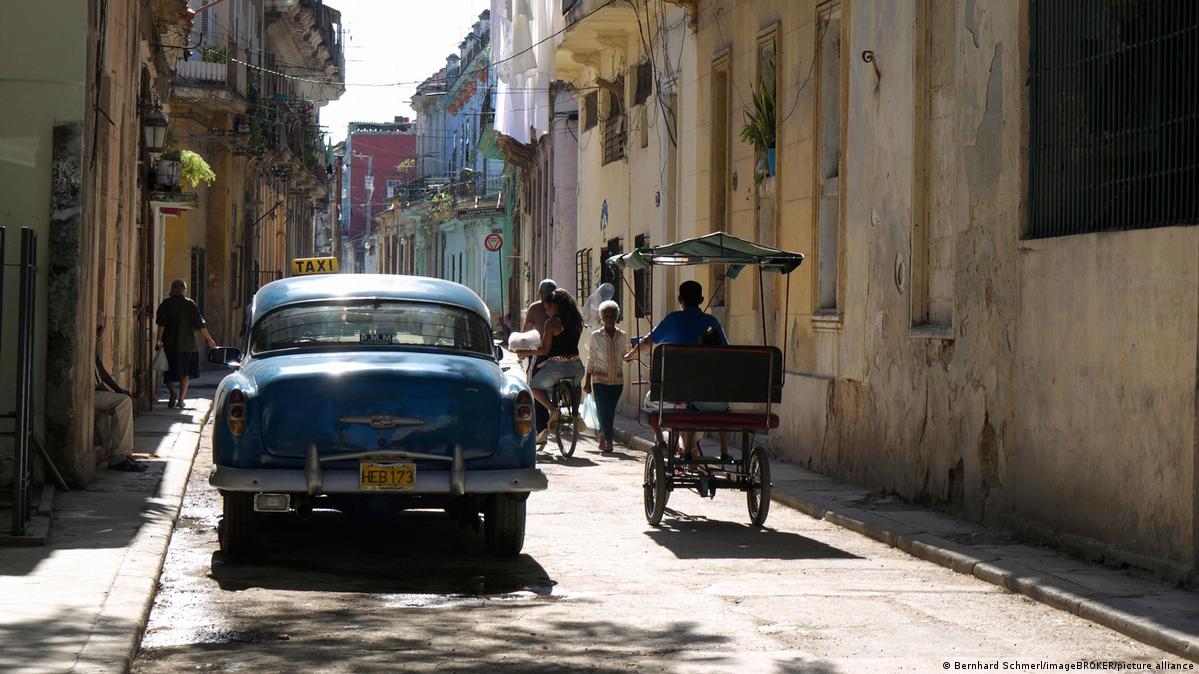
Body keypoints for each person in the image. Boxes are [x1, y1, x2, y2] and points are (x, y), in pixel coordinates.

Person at [623, 280, 728, 458]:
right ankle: (691, 446)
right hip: (710, 393)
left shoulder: (673, 319)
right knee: (695, 401)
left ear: (680, 299)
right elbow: (725, 351)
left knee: (650, 399)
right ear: (701, 299)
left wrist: (630, 356)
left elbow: (648, 342)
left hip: (677, 392)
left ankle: (661, 441)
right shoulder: (711, 322)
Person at [514, 289, 585, 444]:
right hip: (577, 366)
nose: (547, 312)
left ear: (555, 305)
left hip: (557, 368)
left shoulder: (552, 323)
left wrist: (525, 352)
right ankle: (576, 412)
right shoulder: (577, 321)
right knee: (577, 384)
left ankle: (553, 410)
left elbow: (545, 350)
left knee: (534, 387)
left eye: (547, 308)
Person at [155, 279, 216, 409]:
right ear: (183, 289)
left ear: (172, 289)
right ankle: (181, 399)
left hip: (170, 345)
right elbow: (200, 326)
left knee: (168, 372)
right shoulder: (190, 304)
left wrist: (159, 340)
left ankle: (172, 393)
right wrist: (209, 339)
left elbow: (162, 325)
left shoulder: (166, 304)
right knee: (185, 373)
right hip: (188, 346)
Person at [95, 313, 144, 471]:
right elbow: (98, 378)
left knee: (123, 400)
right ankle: (118, 456)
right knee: (123, 402)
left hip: (93, 391)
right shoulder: (87, 343)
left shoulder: (92, 346)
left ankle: (123, 453)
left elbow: (101, 373)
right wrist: (118, 392)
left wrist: (118, 390)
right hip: (88, 395)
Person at [583, 300, 627, 453]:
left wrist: (634, 354)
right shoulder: (596, 336)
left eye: (613, 315)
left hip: (617, 380)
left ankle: (602, 434)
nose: (610, 318)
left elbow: (624, 355)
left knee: (610, 411)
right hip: (599, 380)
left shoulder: (622, 336)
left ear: (617, 316)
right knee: (603, 410)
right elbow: (591, 359)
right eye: (606, 316)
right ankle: (609, 441)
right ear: (602, 317)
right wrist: (587, 381)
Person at [522, 279, 557, 432]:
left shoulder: (536, 307)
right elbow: (527, 329)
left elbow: (526, 331)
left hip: (545, 352)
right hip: (550, 351)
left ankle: (546, 423)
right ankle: (546, 420)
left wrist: (522, 349)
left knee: (535, 384)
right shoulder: (536, 308)